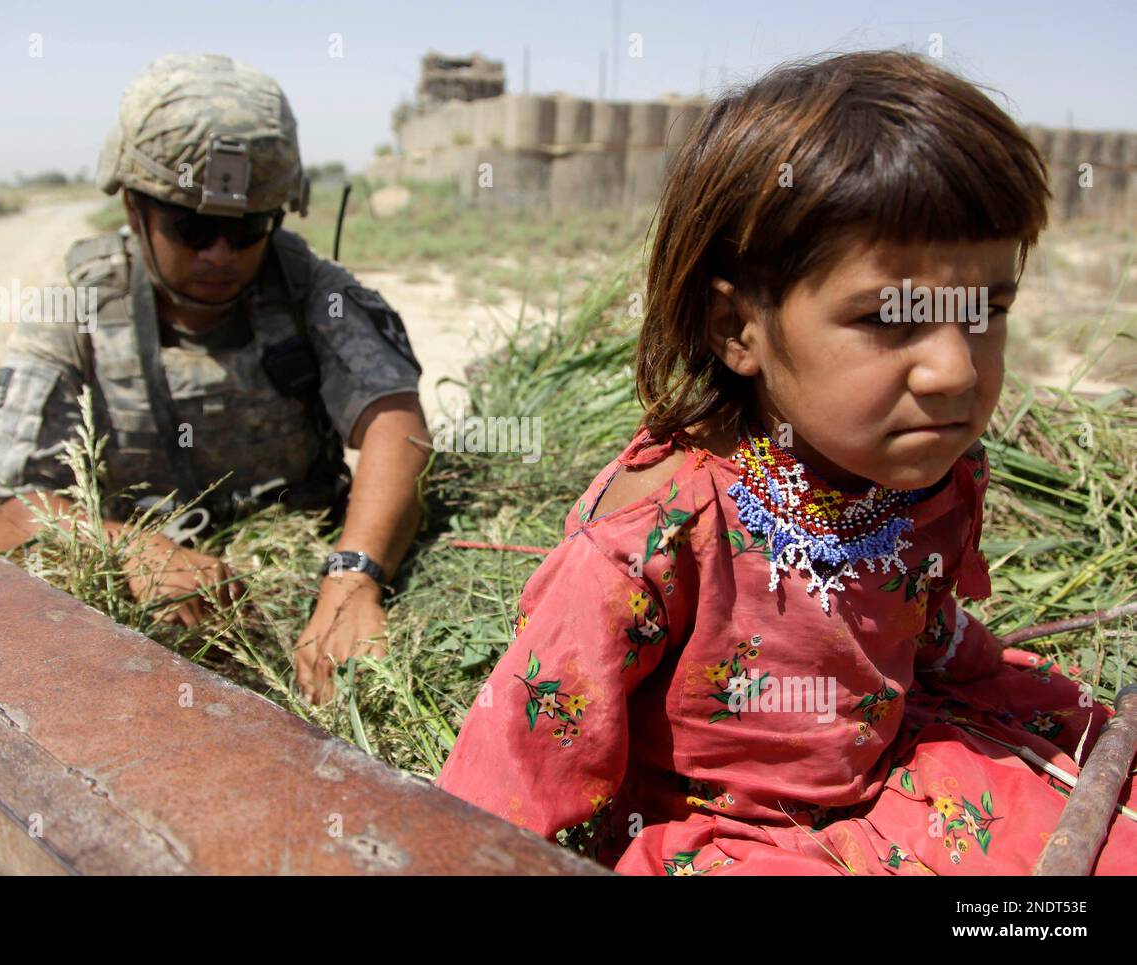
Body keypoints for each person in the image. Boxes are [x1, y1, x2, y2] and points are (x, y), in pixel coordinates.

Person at [434, 51, 1137, 874]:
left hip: (888, 775)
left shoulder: (914, 475)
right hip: (731, 830)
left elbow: (923, 622)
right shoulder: (658, 533)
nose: (956, 368)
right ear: (739, 330)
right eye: (891, 315)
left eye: (987, 310)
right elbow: (520, 759)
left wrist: (1027, 699)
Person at [0, 53, 431, 704]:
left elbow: (398, 425)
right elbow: (5, 507)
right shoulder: (78, 307)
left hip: (303, 572)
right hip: (154, 606)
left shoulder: (307, 288)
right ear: (135, 210)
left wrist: (352, 578)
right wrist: (130, 550)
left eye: (247, 228)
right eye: (194, 228)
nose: (222, 253)